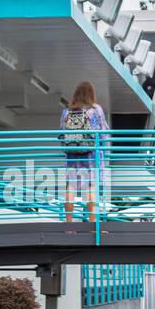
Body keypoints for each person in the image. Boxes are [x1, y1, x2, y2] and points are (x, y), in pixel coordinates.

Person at [58, 81, 108, 228]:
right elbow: (104, 133)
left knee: (71, 187)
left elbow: (61, 132)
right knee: (91, 187)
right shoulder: (95, 109)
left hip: (72, 156)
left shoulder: (66, 111)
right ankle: (93, 225)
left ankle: (68, 225)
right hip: (91, 155)